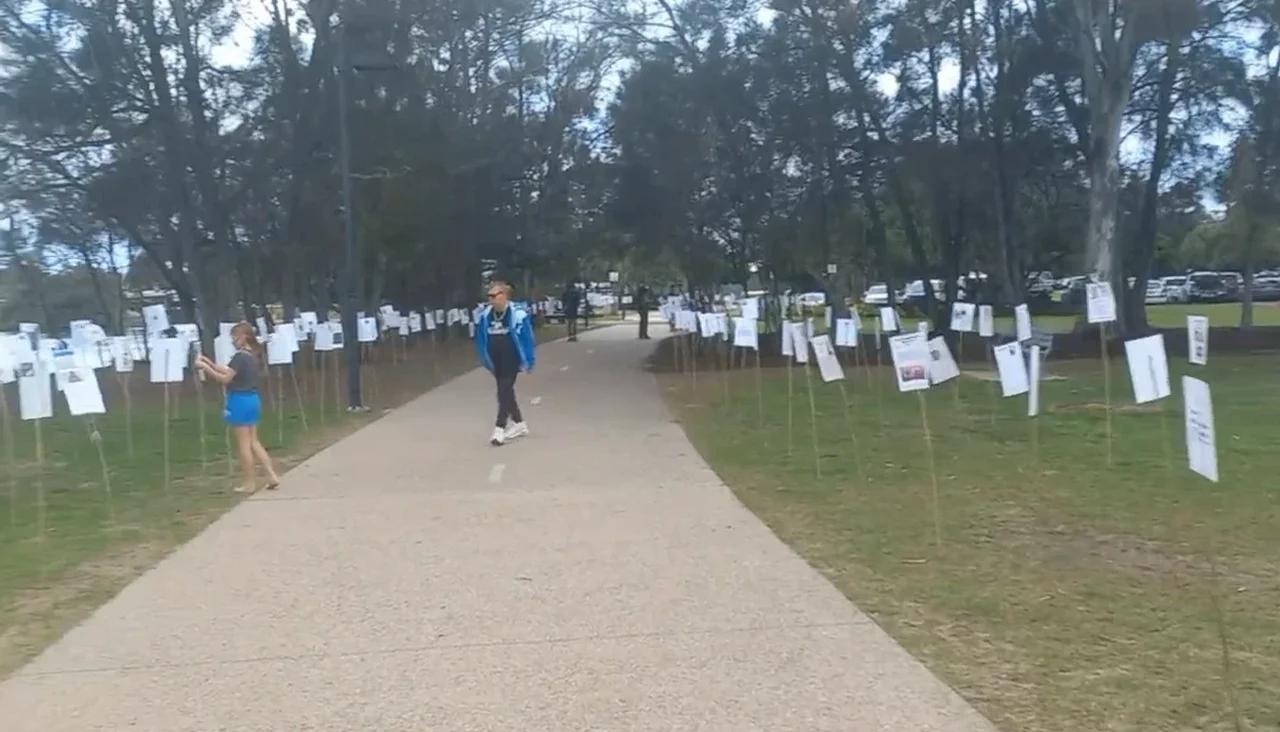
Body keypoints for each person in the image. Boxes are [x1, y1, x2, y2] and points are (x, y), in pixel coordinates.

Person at [195, 322, 281, 494]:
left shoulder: (240, 357)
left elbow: (226, 378)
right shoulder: (252, 355)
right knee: (254, 441)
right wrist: (210, 362)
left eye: (234, 337)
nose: (233, 341)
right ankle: (271, 475)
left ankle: (249, 483)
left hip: (239, 400)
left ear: (243, 336)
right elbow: (228, 370)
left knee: (244, 444)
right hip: (253, 399)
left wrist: (205, 368)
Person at [476, 281, 536, 446]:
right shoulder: (485, 315)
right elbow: (481, 338)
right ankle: (519, 423)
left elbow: (527, 338)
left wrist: (529, 360)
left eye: (495, 295)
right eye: (490, 296)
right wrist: (483, 357)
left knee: (503, 390)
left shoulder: (518, 314)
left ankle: (499, 428)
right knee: (506, 391)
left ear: (505, 296)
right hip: (495, 359)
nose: (492, 299)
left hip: (512, 357)